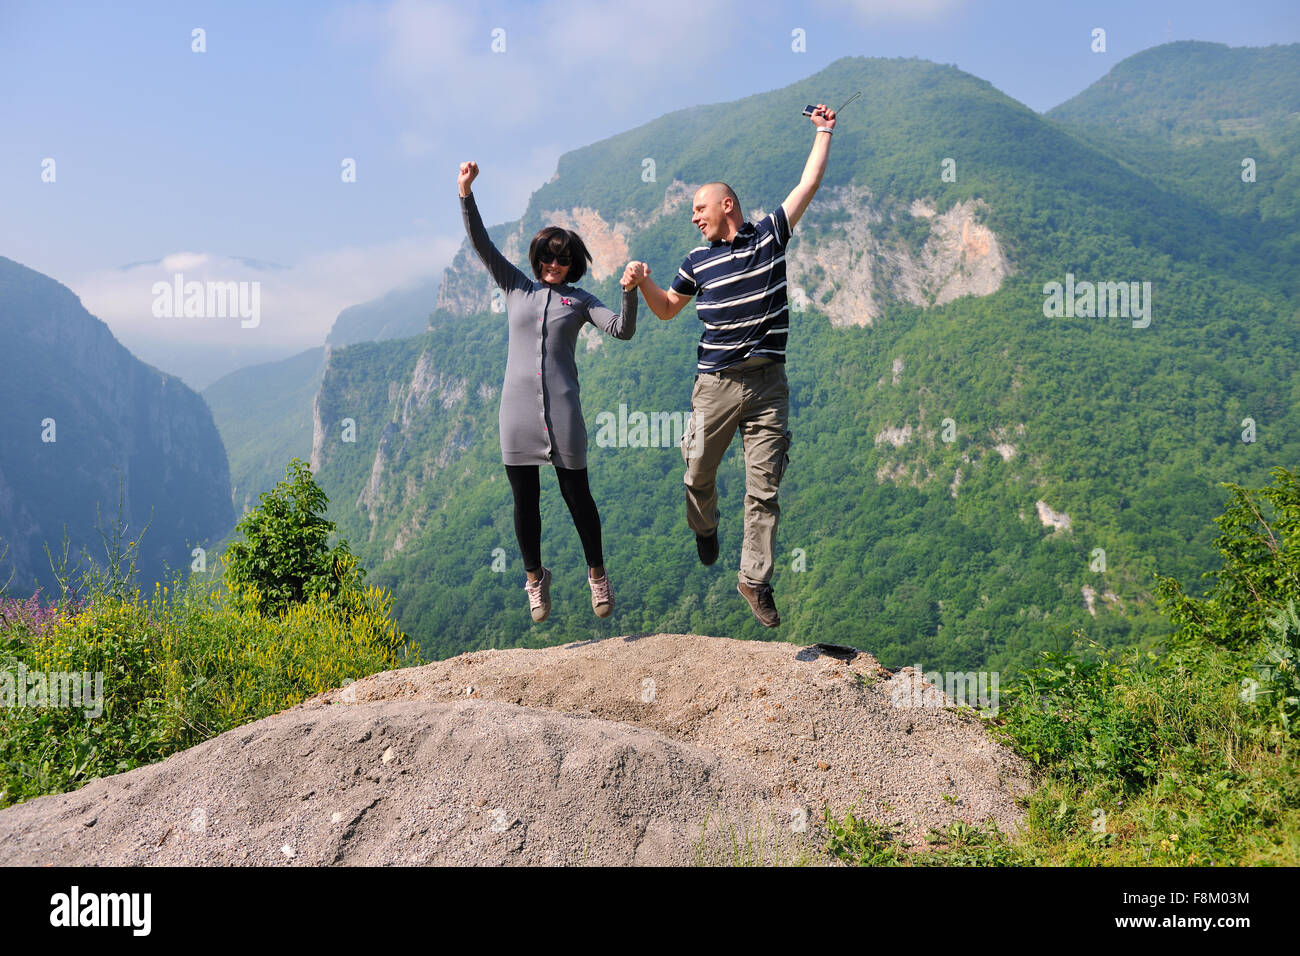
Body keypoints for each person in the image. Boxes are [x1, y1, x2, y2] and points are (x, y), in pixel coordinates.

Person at [631, 104, 837, 627]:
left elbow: (808, 183)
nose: (694, 216)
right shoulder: (695, 262)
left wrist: (824, 131)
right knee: (697, 471)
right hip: (715, 386)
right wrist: (642, 281)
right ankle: (705, 529)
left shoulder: (771, 234)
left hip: (769, 385)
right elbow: (667, 310)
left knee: (764, 488)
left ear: (727, 205)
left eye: (700, 207)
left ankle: (754, 579)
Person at [458, 160, 648, 623]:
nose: (554, 265)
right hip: (516, 413)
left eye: (563, 259)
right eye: (548, 256)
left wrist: (629, 290)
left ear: (573, 264)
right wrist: (465, 193)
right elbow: (481, 243)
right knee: (525, 501)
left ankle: (597, 575)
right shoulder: (515, 287)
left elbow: (622, 330)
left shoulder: (581, 301)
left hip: (563, 412)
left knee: (577, 496)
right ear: (537, 256)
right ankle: (534, 578)